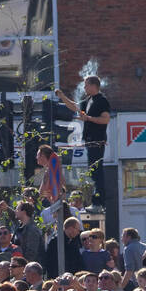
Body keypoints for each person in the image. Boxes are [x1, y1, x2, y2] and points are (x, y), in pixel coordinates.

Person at [57, 76, 111, 210]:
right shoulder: (88, 100)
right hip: (90, 140)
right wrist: (62, 96)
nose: (84, 87)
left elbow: (105, 119)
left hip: (97, 141)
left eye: (86, 85)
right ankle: (97, 202)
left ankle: (99, 203)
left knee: (97, 172)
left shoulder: (102, 101)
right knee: (93, 172)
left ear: (94, 86)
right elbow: (74, 107)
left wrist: (88, 118)